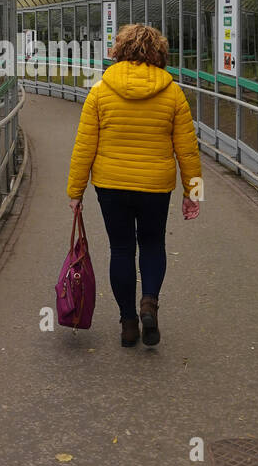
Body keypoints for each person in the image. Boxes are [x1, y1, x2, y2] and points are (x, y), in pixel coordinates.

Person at [66, 23, 202, 349]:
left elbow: (84, 145)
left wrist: (75, 192)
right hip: (155, 186)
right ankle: (149, 304)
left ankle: (128, 322)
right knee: (153, 244)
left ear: (119, 51)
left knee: (122, 249)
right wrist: (193, 193)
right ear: (159, 52)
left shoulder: (100, 91)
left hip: (111, 186)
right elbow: (188, 148)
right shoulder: (172, 92)